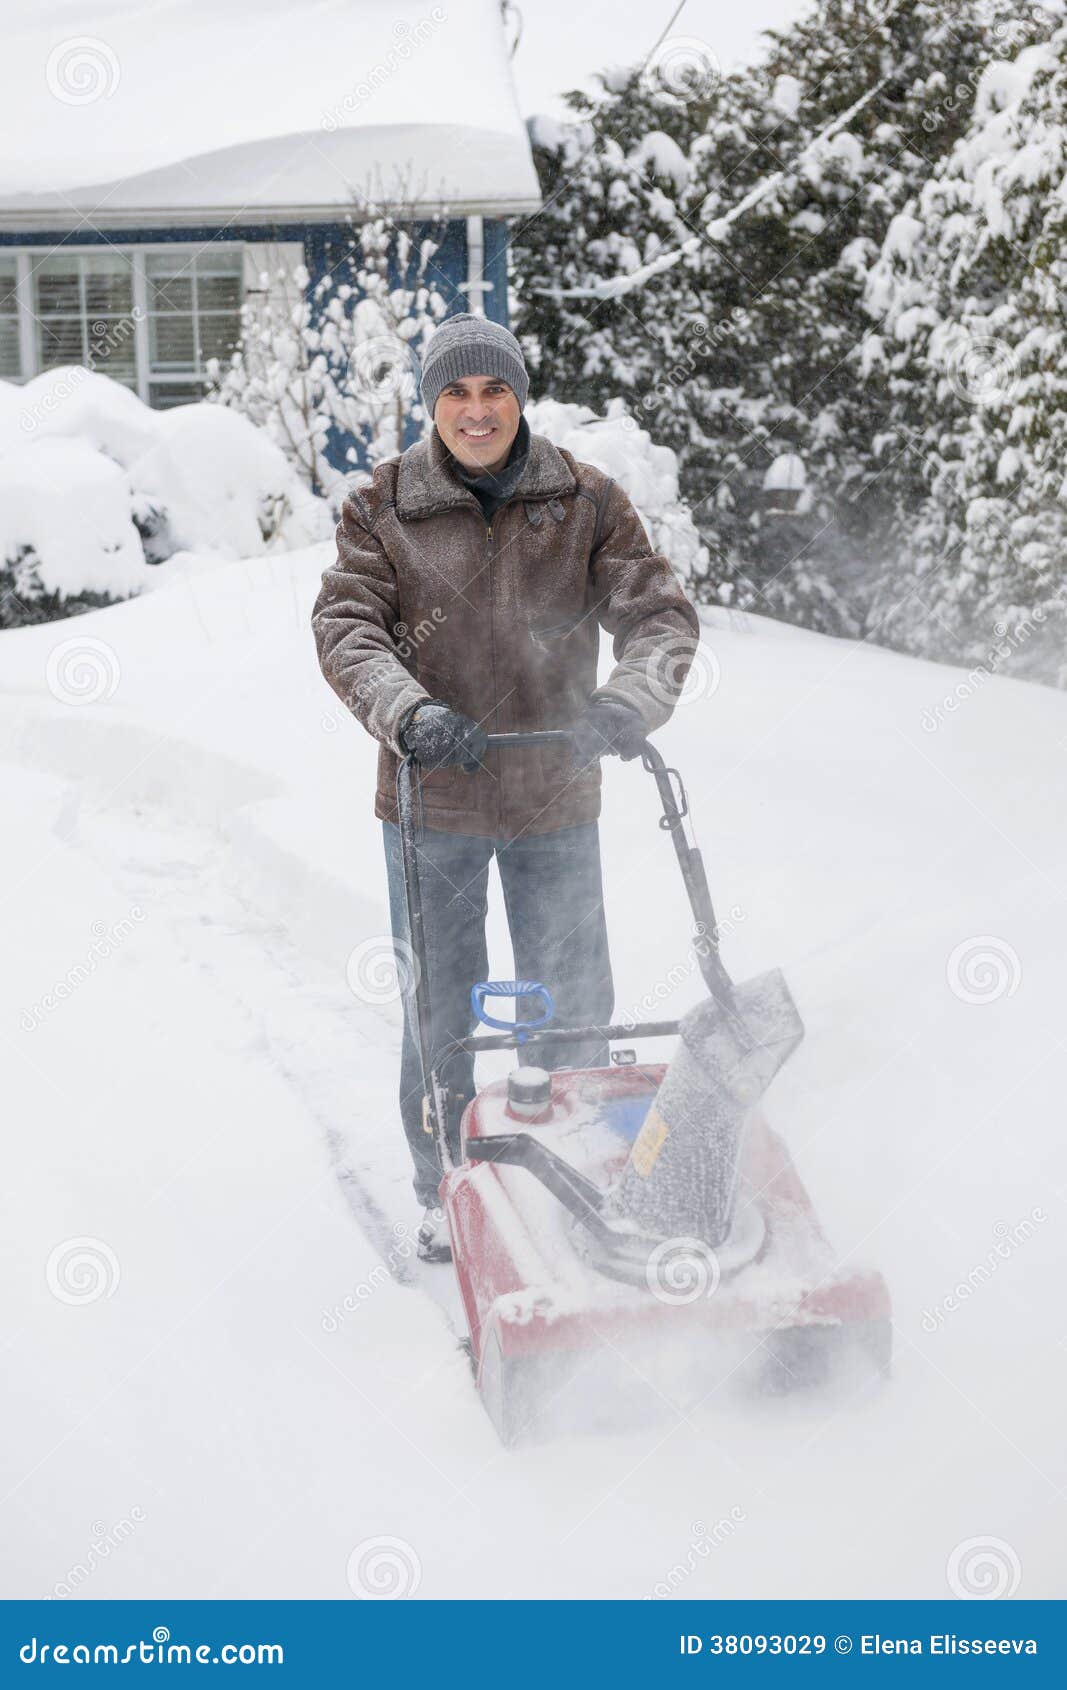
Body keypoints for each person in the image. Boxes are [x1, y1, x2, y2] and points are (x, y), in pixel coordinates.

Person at [311, 313, 700, 1261]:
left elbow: (657, 614)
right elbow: (346, 628)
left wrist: (626, 703)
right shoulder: (383, 506)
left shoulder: (582, 499)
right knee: (443, 1007)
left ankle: (577, 1176)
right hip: (431, 800)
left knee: (572, 997)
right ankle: (449, 1186)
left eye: (494, 392)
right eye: (457, 393)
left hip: (553, 791)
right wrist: (411, 716)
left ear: (518, 397)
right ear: (431, 402)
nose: (476, 412)